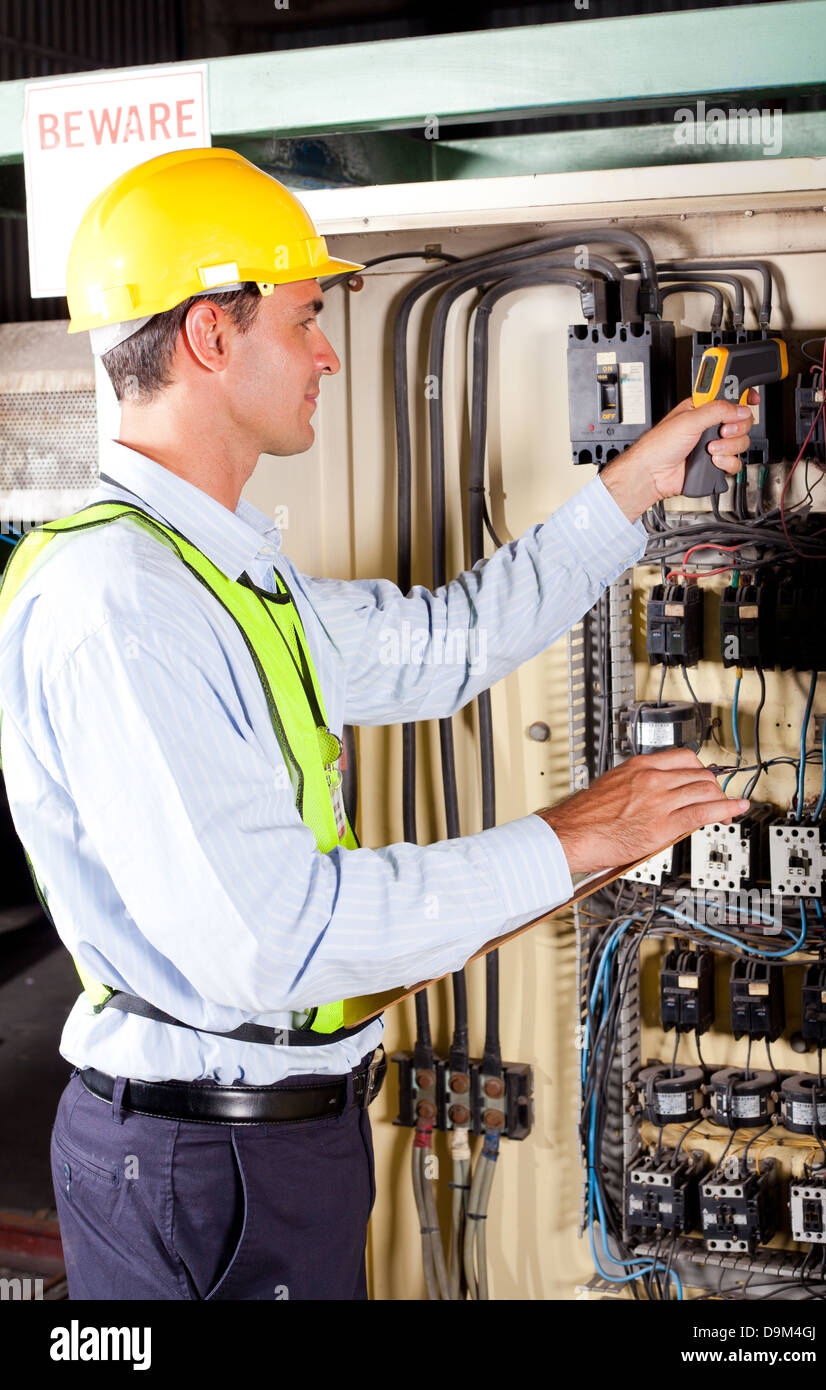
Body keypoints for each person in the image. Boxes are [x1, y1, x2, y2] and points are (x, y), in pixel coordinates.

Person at [0, 148, 754, 1301]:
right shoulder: (124, 603)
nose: (326, 353)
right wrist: (570, 839)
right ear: (210, 334)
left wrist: (635, 487)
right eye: (304, 318)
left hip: (273, 1139)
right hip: (205, 1161)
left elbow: (450, 642)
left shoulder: (212, 573)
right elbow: (273, 940)